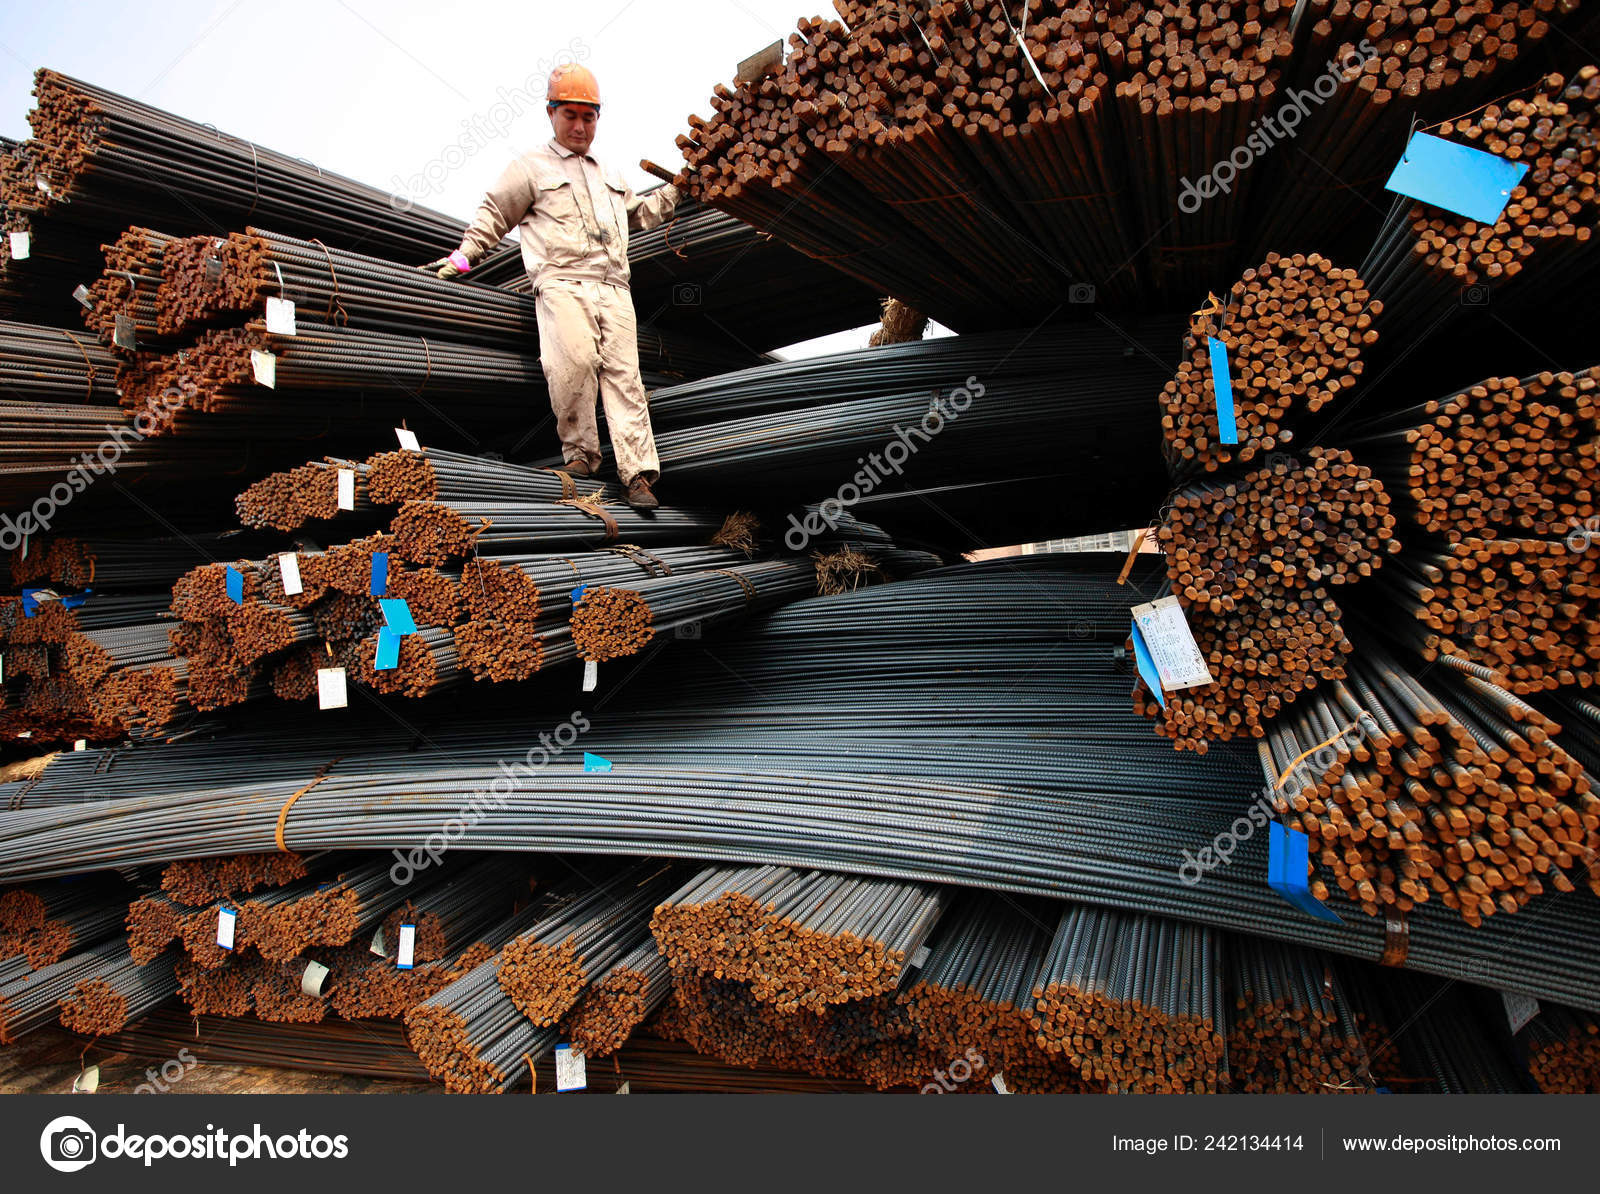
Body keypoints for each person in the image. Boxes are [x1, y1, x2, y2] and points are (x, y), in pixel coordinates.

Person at [424, 63, 678, 509]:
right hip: (562, 283)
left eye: (589, 117)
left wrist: (681, 191)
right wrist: (464, 256)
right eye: (571, 115)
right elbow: (495, 213)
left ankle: (637, 474)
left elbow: (641, 215)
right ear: (551, 113)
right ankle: (581, 456)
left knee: (626, 381)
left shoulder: (610, 175)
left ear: (598, 118)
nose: (580, 126)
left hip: (615, 288)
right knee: (573, 364)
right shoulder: (530, 168)